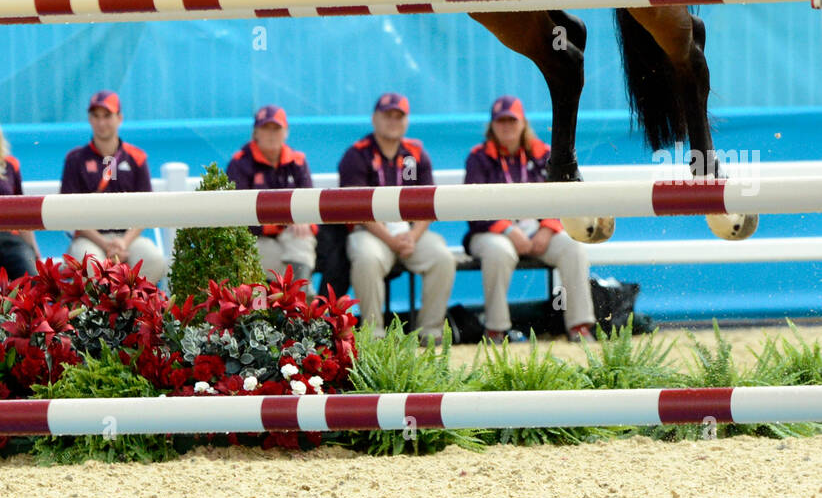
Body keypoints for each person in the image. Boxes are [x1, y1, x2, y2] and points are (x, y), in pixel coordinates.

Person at [463, 96, 596, 344]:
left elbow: (565, 198)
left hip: (538, 232)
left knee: (573, 247)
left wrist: (548, 227)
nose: (506, 126)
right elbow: (473, 208)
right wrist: (507, 230)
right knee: (498, 251)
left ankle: (579, 326)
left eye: (512, 121)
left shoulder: (544, 153)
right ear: (491, 126)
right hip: (493, 233)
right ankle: (496, 329)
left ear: (523, 123)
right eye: (500, 121)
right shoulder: (479, 157)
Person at [338, 93, 456, 341]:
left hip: (410, 233)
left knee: (443, 258)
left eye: (398, 116)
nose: (393, 121)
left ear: (406, 121)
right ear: (374, 118)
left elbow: (430, 204)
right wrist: (391, 240)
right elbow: (357, 209)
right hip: (372, 232)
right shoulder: (356, 154)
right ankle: (374, 335)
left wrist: (412, 236)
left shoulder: (417, 153)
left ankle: (431, 333)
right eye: (387, 115)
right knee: (366, 257)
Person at [60, 91, 166, 283]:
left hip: (128, 238)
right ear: (89, 119)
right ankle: (99, 313)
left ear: (120, 118)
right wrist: (105, 244)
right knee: (91, 267)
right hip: (90, 238)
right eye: (96, 116)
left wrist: (123, 242)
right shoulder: (75, 159)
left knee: (154, 260)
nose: (101, 122)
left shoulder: (137, 158)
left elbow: (146, 208)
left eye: (107, 115)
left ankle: (133, 310)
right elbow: (69, 212)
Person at [226, 106, 316, 290]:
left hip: (291, 234)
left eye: (276, 128)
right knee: (266, 256)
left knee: (303, 240)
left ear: (286, 132)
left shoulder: (297, 161)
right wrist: (280, 222)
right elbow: (238, 216)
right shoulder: (240, 163)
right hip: (255, 237)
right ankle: (300, 299)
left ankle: (299, 299)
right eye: (266, 128)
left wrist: (304, 221)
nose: (271, 134)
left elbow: (310, 206)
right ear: (255, 133)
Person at [0, 128, 38, 281]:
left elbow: (22, 212)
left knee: (34, 282)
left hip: (11, 239)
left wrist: (34, 251)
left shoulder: (10, 165)